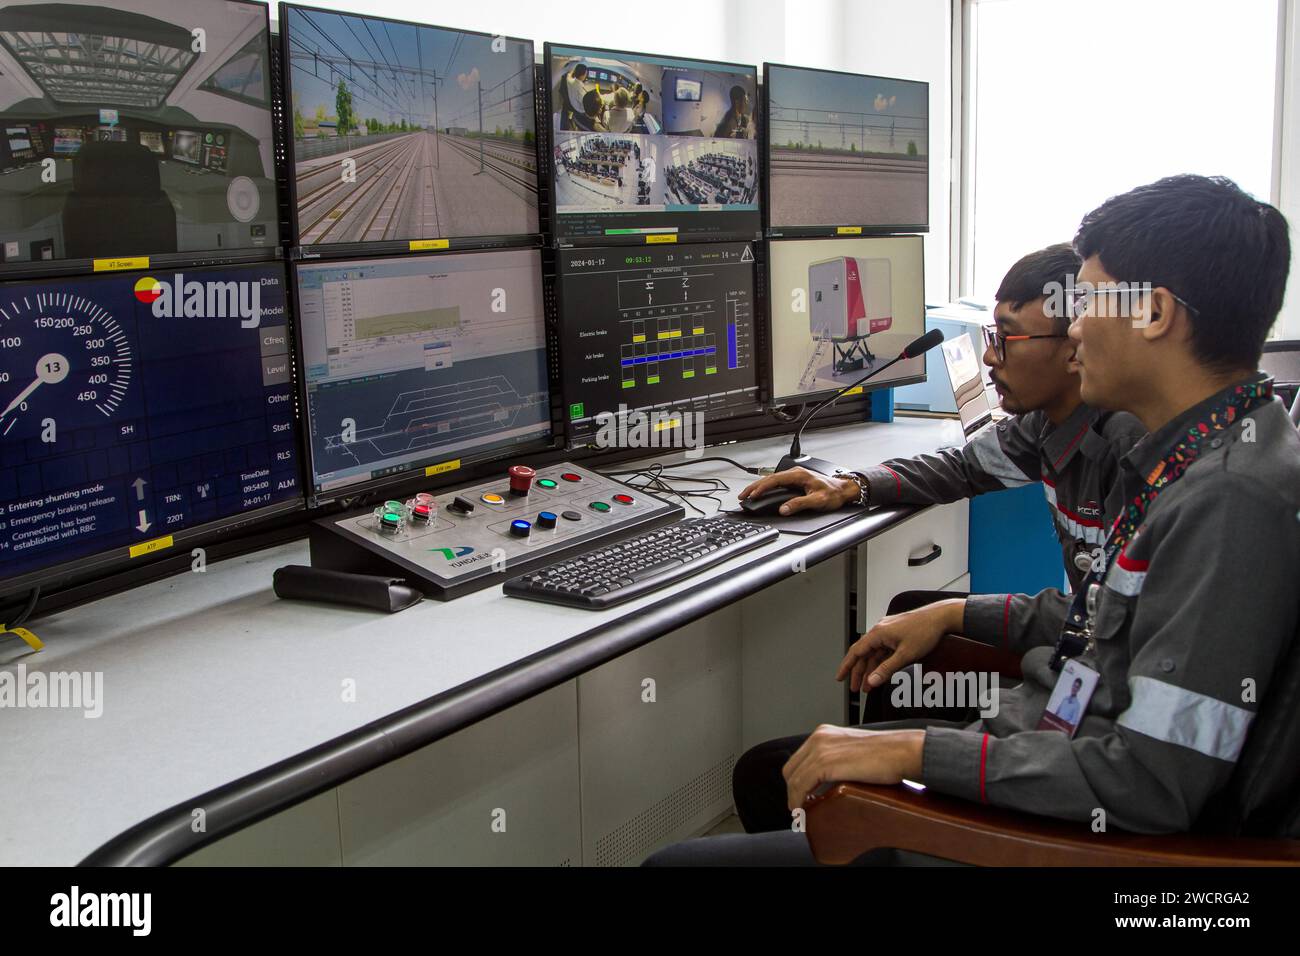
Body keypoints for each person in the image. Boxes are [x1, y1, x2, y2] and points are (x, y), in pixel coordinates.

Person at [646, 174, 1298, 865]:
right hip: (1048, 744)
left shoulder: (1226, 501)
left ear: (1155, 313)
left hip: (1071, 830)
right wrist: (951, 614)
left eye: (1090, 303)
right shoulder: (1199, 452)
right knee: (781, 774)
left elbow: (1147, 784)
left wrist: (912, 750)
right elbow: (1112, 619)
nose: (1076, 330)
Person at [555, 63, 589, 131]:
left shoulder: (569, 80)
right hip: (577, 111)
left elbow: (569, 76)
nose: (586, 76)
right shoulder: (579, 88)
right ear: (583, 75)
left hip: (568, 108)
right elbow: (584, 104)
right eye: (586, 74)